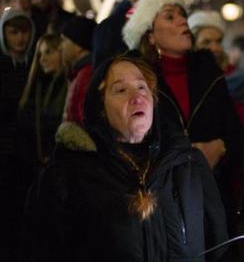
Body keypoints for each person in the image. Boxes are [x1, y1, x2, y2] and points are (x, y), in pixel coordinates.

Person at [23, 55, 229, 261]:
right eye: (120, 90)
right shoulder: (68, 173)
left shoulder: (188, 163)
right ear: (100, 108)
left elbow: (218, 245)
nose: (136, 97)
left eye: (142, 87)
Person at [122, 0, 244, 230]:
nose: (182, 21)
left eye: (182, 15)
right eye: (170, 16)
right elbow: (130, 146)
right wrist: (188, 156)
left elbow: (237, 136)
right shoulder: (136, 80)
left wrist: (222, 147)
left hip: (211, 202)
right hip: (158, 207)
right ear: (150, 35)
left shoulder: (209, 72)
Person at [188, 10, 244, 132]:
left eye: (218, 41)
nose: (215, 48)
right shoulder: (188, 80)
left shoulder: (239, 77)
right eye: (206, 42)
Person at [0, 8, 35, 259]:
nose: (20, 39)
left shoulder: (37, 64)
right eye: (14, 32)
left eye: (24, 32)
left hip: (30, 150)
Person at [18, 34, 68, 171]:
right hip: (31, 162)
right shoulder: (36, 85)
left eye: (48, 52)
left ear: (63, 52)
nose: (42, 59)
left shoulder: (68, 86)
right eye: (39, 54)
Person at [61, 16, 97, 126]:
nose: (60, 46)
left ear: (78, 46)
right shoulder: (80, 73)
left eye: (64, 41)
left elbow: (84, 122)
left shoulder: (85, 76)